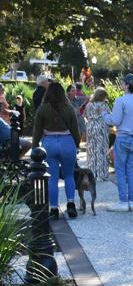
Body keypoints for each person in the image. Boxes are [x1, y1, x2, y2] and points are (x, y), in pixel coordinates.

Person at [32, 82, 80, 220]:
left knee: (52, 178)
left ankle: (53, 209)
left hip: (49, 144)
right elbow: (75, 130)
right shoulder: (69, 108)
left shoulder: (42, 109)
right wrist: (76, 145)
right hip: (67, 142)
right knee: (69, 175)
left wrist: (35, 147)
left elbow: (37, 131)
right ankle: (71, 204)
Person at [103, 74, 133, 212]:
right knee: (130, 170)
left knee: (120, 170)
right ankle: (132, 202)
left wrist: (104, 115)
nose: (121, 84)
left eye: (123, 82)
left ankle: (123, 201)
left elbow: (114, 121)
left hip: (123, 138)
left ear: (127, 85)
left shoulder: (120, 101)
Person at [84, 87, 111, 181]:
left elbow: (85, 115)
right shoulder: (104, 105)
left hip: (91, 127)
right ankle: (101, 174)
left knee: (92, 151)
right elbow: (108, 117)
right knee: (101, 151)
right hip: (101, 128)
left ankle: (92, 174)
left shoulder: (89, 104)